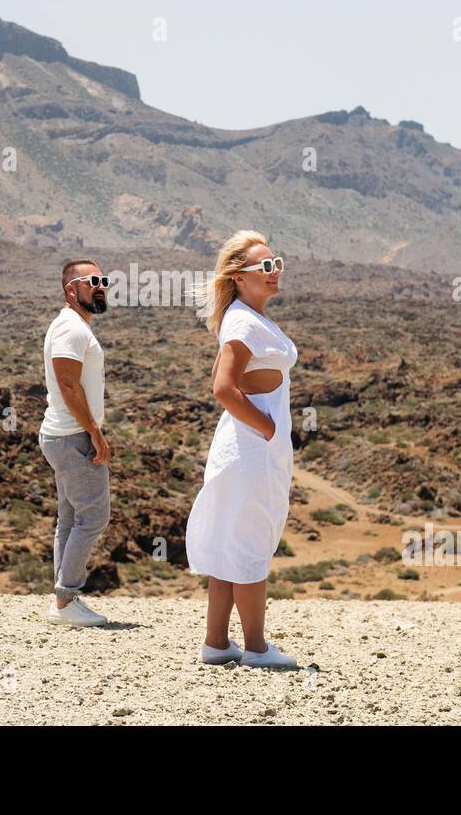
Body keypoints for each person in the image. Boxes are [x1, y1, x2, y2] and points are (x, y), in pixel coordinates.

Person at [186, 231, 299, 668]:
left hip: (246, 447)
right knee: (250, 540)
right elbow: (222, 387)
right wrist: (269, 429)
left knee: (231, 539)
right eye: (266, 267)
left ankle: (217, 642)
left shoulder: (246, 317)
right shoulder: (243, 321)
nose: (275, 274)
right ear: (239, 276)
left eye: (277, 264)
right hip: (251, 450)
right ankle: (255, 647)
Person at [37, 259, 114, 627]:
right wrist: (95, 433)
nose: (100, 286)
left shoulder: (73, 325)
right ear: (72, 289)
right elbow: (68, 386)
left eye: (104, 280)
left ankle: (64, 599)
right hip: (73, 437)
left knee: (69, 518)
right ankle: (66, 601)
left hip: (62, 435)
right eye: (92, 281)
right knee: (94, 518)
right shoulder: (71, 328)